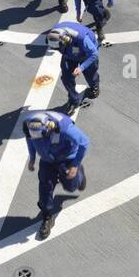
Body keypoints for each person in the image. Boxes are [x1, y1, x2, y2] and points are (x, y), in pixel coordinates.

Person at [23, 110, 90, 239]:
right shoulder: (30, 125)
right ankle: (47, 217)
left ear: (48, 128)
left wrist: (75, 165)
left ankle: (80, 176)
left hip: (67, 159)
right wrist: (32, 158)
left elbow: (84, 142)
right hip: (47, 160)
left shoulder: (65, 127)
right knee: (45, 185)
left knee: (70, 186)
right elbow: (30, 140)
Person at [46, 23, 100, 107]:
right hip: (69, 54)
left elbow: (94, 54)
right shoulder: (54, 34)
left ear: (66, 40)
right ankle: (74, 98)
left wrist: (81, 68)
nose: (58, 50)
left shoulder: (82, 39)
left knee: (90, 73)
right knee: (66, 77)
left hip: (86, 54)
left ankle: (94, 87)